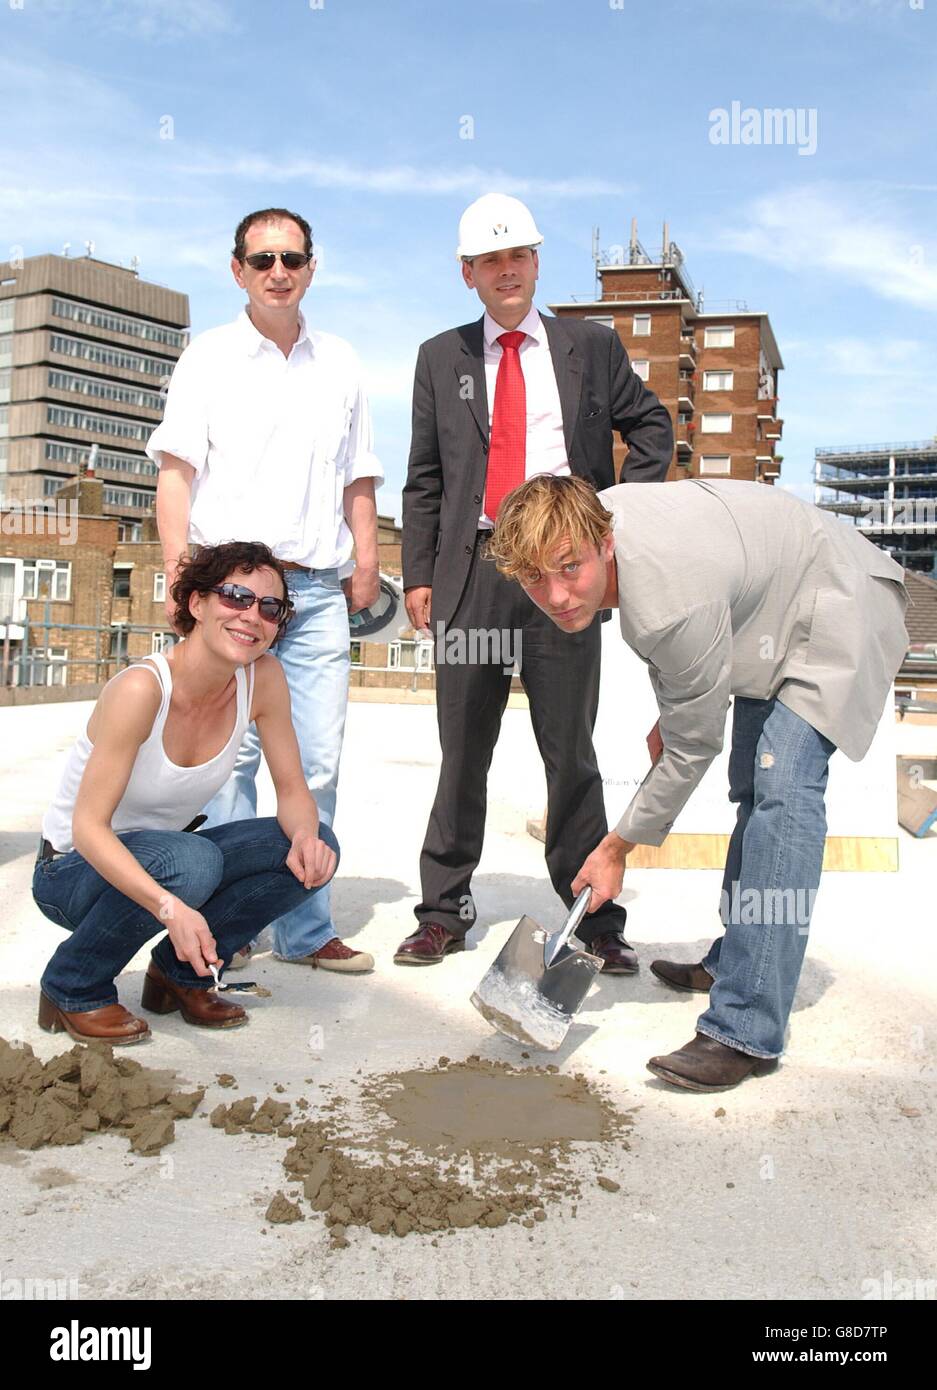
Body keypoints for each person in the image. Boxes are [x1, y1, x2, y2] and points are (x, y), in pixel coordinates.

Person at [489, 473, 909, 1091]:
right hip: (771, 606)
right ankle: (740, 959)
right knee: (751, 784)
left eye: (569, 568)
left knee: (782, 788)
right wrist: (680, 710)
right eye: (535, 578)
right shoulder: (584, 518)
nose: (555, 596)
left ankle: (746, 1028)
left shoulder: (668, 598)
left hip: (837, 600)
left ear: (604, 541)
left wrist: (614, 849)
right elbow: (691, 675)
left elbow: (692, 745)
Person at [397, 193, 673, 969]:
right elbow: (423, 477)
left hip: (560, 575)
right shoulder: (438, 358)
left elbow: (651, 427)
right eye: (490, 260)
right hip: (475, 571)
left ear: (536, 262)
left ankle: (591, 918)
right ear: (468, 274)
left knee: (569, 751)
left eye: (517, 256)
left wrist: (616, 514)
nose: (506, 271)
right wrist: (418, 573)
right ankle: (441, 910)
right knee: (462, 751)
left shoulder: (589, 344)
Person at [148, 206, 380, 975]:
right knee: (226, 764)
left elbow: (358, 476)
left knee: (314, 764)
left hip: (312, 594)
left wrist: (367, 561)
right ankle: (230, 924)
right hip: (231, 596)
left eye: (291, 257)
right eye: (261, 259)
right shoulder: (207, 358)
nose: (277, 270)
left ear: (311, 266)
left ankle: (305, 928)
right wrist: (186, 581)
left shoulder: (341, 361)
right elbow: (175, 476)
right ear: (237, 270)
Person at [33, 542, 339, 1045]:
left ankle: (180, 975)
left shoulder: (262, 678)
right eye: (236, 597)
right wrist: (170, 907)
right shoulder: (141, 689)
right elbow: (87, 830)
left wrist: (306, 837)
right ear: (197, 604)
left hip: (167, 859)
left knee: (312, 850)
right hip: (70, 872)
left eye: (269, 607)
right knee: (191, 861)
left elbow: (292, 790)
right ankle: (73, 985)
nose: (252, 616)